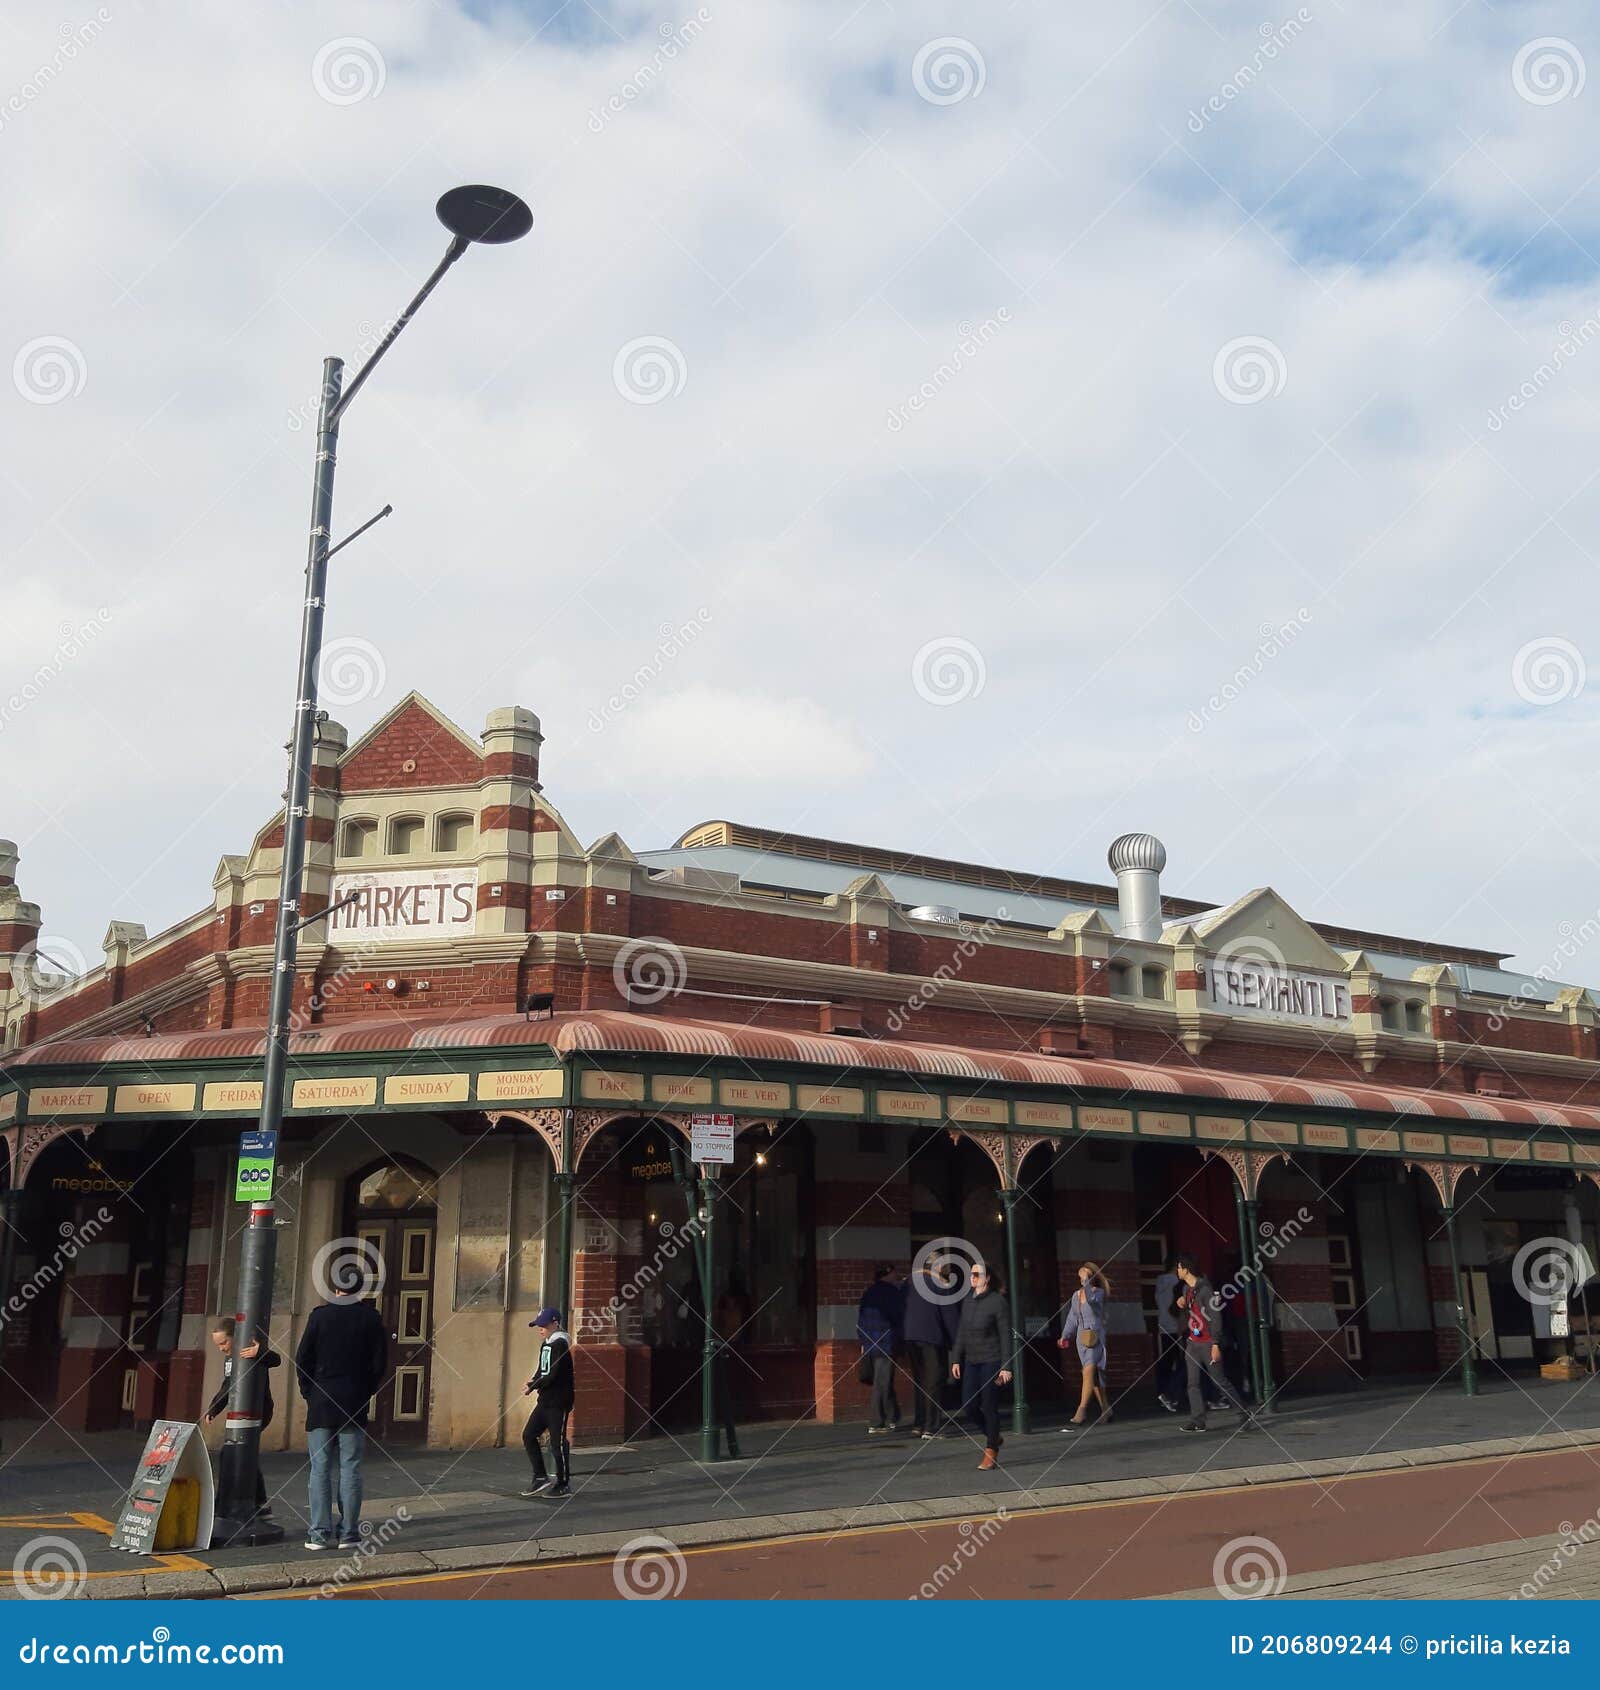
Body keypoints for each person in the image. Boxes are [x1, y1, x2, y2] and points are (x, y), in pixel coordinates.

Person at [293, 1278, 388, 1550]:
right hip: (354, 1400)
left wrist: (309, 1392)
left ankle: (319, 1533)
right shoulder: (371, 1318)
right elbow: (379, 1362)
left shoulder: (320, 1316)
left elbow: (303, 1359)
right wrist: (365, 1391)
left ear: (335, 1290)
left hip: (322, 1399)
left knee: (320, 1468)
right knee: (351, 1467)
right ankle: (349, 1533)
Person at [205, 1318, 280, 1517]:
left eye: (224, 1343)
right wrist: (213, 1408)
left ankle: (254, 1502)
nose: (221, 1348)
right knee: (241, 1453)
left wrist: (260, 1352)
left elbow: (276, 1360)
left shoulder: (249, 1350)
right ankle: (255, 1502)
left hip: (259, 1411)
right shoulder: (230, 1359)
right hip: (239, 1412)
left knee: (236, 1452)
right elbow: (227, 1386)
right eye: (218, 1345)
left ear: (235, 1337)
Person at [1173, 1254, 1253, 1433]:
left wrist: (1216, 1343)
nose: (1177, 1271)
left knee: (1219, 1381)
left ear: (1186, 1269)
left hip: (1208, 1342)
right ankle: (1198, 1420)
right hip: (1193, 1342)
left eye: (1178, 1268)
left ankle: (1244, 1414)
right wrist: (1183, 1304)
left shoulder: (1205, 1290)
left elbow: (1216, 1317)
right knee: (1192, 1383)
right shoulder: (1186, 1289)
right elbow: (1192, 1314)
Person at [949, 1261, 1012, 1469]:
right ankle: (993, 1435)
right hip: (972, 1360)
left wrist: (1006, 1366)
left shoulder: (997, 1302)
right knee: (969, 1405)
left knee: (989, 1405)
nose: (973, 1277)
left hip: (992, 1360)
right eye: (971, 1274)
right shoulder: (968, 1301)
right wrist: (956, 1358)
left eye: (977, 1274)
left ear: (987, 1278)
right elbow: (961, 1332)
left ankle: (991, 1450)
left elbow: (1005, 1336)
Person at [904, 1255, 961, 1438]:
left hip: (910, 1337)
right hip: (932, 1338)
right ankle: (931, 1427)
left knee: (920, 1381)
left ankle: (918, 1424)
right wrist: (957, 1344)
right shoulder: (940, 1284)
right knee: (934, 1381)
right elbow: (950, 1317)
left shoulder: (909, 1282)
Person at [521, 1306, 575, 1497]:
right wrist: (532, 1381)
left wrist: (534, 1385)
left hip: (559, 1400)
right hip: (545, 1400)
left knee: (556, 1443)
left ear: (555, 1323)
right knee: (528, 1435)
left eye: (543, 1325)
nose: (540, 1328)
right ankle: (540, 1477)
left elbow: (553, 1374)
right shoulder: (547, 1344)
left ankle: (563, 1483)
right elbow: (542, 1370)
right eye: (538, 1325)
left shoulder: (559, 1344)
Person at [1058, 1262, 1113, 1425]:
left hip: (1095, 1337)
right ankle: (1106, 1408)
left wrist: (1085, 1280)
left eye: (1089, 1275)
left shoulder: (1098, 1293)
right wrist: (1065, 1336)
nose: (1084, 1277)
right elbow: (1072, 1318)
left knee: (1088, 1372)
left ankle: (1081, 1410)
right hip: (1081, 1339)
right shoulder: (1076, 1295)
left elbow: (1090, 1301)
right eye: (1083, 1274)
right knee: (1093, 1376)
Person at [857, 1265, 905, 1435]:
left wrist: (863, 1341)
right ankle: (877, 1422)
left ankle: (892, 1416)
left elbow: (861, 1320)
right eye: (894, 1273)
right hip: (886, 1343)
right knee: (882, 1383)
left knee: (883, 1380)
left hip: (871, 1343)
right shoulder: (892, 1293)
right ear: (887, 1275)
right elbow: (898, 1317)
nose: (896, 1275)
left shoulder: (869, 1293)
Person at [1153, 1257, 1184, 1412]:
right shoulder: (1176, 1282)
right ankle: (1170, 1393)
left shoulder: (1159, 1283)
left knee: (1166, 1359)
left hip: (1163, 1324)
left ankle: (1161, 1390)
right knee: (1181, 1362)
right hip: (1176, 1325)